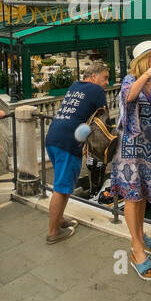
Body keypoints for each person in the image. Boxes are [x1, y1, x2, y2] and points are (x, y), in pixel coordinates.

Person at [112, 41, 151, 280]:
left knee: (143, 194)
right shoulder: (129, 79)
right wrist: (146, 75)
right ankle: (136, 250)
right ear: (144, 61)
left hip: (149, 148)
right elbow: (129, 97)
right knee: (132, 198)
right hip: (130, 150)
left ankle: (141, 235)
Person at [43, 61, 110, 244]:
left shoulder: (75, 86)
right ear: (94, 76)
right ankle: (52, 232)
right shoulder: (96, 91)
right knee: (60, 188)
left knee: (63, 185)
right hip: (68, 142)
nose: (107, 83)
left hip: (54, 137)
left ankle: (60, 219)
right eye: (105, 78)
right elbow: (105, 120)